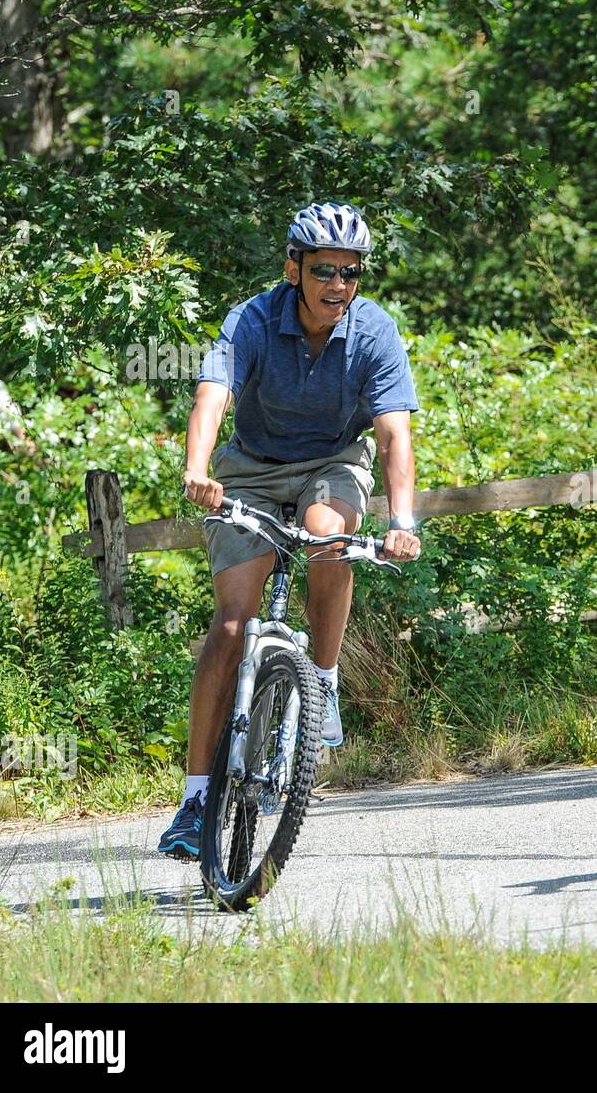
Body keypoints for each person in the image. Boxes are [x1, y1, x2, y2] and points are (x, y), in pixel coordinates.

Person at [158, 202, 421, 860]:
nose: (339, 284)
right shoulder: (251, 319)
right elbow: (211, 397)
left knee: (329, 533)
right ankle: (194, 800)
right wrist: (197, 470)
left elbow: (393, 436)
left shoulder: (375, 332)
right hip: (249, 471)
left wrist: (402, 519)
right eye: (326, 269)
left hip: (331, 464)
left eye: (352, 273)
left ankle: (322, 683)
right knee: (232, 624)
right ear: (293, 268)